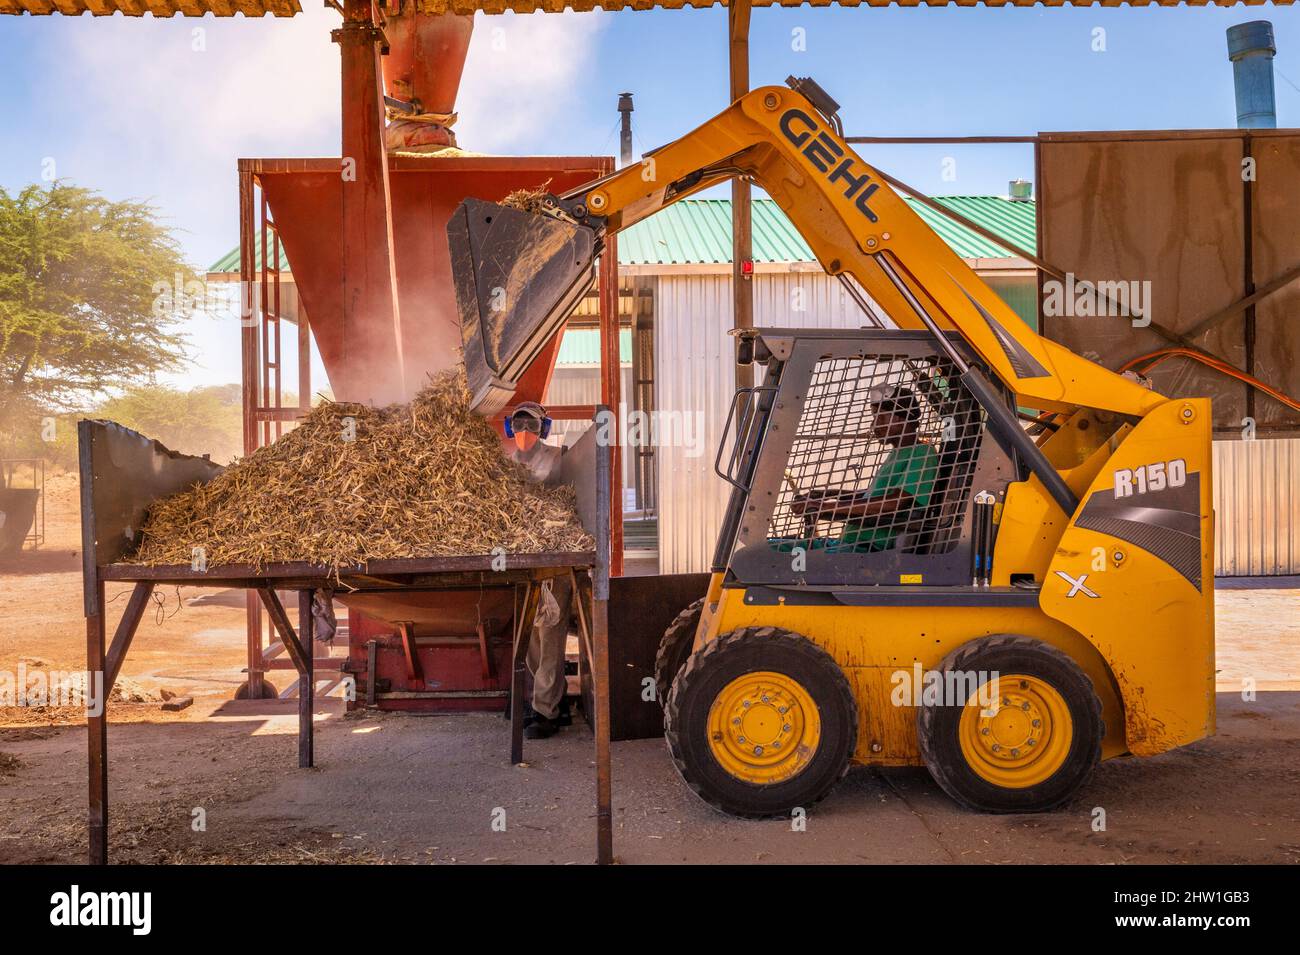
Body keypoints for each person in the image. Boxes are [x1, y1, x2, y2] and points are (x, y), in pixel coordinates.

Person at [790, 385, 941, 553]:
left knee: (784, 559)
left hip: (865, 549)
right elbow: (872, 496)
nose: (873, 425)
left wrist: (824, 507)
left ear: (900, 418)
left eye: (880, 418)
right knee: (776, 547)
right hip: (846, 543)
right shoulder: (898, 453)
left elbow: (893, 503)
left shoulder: (921, 454)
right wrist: (826, 495)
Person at [504, 402, 574, 739]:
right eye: (518, 425)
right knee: (530, 638)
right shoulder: (504, 465)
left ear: (543, 429)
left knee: (550, 637)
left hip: (553, 563)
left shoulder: (559, 458)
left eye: (531, 426)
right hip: (522, 564)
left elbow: (568, 504)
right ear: (510, 428)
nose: (524, 432)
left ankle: (547, 710)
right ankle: (547, 701)